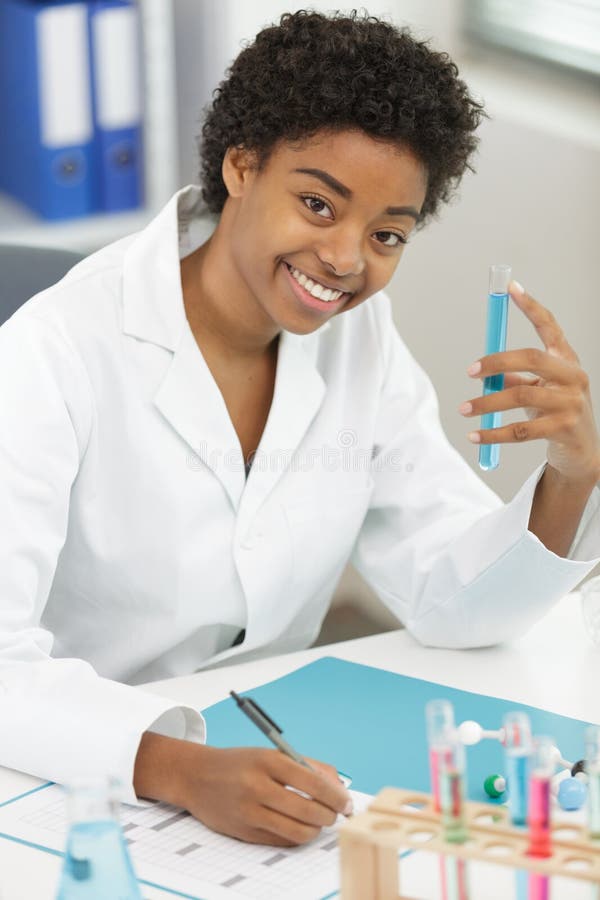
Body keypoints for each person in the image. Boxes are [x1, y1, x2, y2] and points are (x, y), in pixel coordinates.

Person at [0, 10, 599, 848]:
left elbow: (450, 595)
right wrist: (173, 765)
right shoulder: (55, 348)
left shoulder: (360, 339)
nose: (350, 258)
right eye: (319, 204)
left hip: (274, 754)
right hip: (66, 772)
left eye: (387, 234)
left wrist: (573, 472)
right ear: (241, 165)